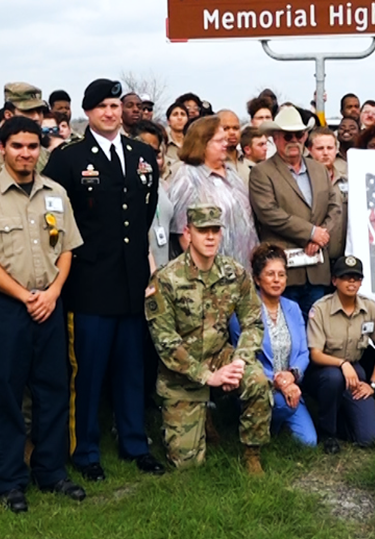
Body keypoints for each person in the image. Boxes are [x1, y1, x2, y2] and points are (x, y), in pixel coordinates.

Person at [0, 117, 87, 513]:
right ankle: (10, 478)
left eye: (33, 146)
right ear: (3, 149)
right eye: (17, 146)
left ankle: (50, 471)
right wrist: (25, 296)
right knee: (6, 395)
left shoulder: (56, 193)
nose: (26, 153)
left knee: (52, 391)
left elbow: (67, 249)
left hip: (49, 304)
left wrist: (53, 293)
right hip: (7, 309)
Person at [42, 78, 165, 482]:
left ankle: (135, 443)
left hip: (131, 281)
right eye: (102, 107)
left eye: (115, 106)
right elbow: (54, 219)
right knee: (88, 374)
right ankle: (84, 450)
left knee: (132, 370)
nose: (110, 113)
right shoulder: (68, 158)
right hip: (90, 282)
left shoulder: (142, 154)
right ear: (88, 112)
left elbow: (144, 212)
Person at [145, 205, 272, 473]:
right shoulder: (166, 279)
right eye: (203, 231)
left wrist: (239, 362)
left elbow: (252, 322)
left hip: (219, 356)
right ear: (188, 233)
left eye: (215, 230)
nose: (211, 236)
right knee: (187, 464)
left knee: (257, 380)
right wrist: (208, 377)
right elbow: (166, 342)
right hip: (181, 371)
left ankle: (252, 454)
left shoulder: (234, 273)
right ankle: (200, 415)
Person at [249, 105, 341, 317]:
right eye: (287, 136)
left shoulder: (319, 169)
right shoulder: (261, 173)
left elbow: (334, 207)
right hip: (283, 273)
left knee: (316, 331)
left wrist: (321, 236)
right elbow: (268, 213)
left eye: (298, 135)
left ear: (305, 136)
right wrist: (310, 233)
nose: (294, 140)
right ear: (275, 138)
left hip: (317, 270)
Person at [226, 244, 316, 447]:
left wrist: (292, 375)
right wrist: (279, 382)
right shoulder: (244, 312)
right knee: (285, 406)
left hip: (290, 383)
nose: (277, 280)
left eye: (281, 275)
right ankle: (259, 422)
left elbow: (303, 352)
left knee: (309, 442)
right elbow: (244, 358)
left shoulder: (293, 308)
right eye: (270, 274)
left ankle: (274, 423)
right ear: (257, 279)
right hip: (260, 386)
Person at [306, 256, 375, 454]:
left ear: (361, 282)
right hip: (323, 372)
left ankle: (339, 420)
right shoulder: (321, 309)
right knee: (333, 378)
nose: (351, 281)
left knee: (369, 438)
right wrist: (342, 363)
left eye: (356, 277)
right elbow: (315, 354)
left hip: (354, 372)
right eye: (345, 277)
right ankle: (328, 433)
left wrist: (373, 384)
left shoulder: (369, 308)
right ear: (334, 280)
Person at [168, 116, 259, 267]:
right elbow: (181, 232)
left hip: (245, 269)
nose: (226, 144)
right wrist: (204, 270)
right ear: (202, 144)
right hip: (212, 273)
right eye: (219, 141)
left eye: (225, 140)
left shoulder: (231, 172)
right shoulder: (187, 177)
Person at [0, 83, 52, 184]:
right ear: (8, 115)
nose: (36, 117)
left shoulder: (50, 158)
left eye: (40, 111)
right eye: (29, 111)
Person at [133, 120, 177, 269]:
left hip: (164, 273)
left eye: (155, 153)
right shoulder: (123, 189)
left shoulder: (162, 186)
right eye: (144, 151)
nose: (149, 158)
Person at [308, 128, 348, 260]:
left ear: (336, 149)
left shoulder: (346, 178)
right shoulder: (303, 180)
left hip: (343, 253)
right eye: (320, 148)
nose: (325, 153)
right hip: (313, 253)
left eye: (330, 148)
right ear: (310, 150)